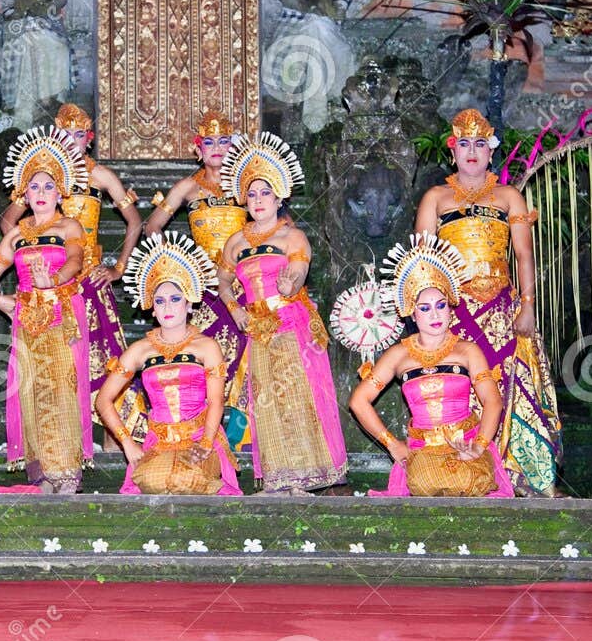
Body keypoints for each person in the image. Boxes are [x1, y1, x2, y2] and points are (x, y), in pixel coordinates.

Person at [413, 108, 562, 496]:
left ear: (491, 151)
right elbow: (422, 262)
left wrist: (527, 304)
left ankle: (520, 473)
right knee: (458, 386)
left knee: (514, 383)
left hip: (501, 306)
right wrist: (428, 315)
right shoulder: (436, 198)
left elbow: (524, 255)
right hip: (453, 311)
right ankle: (465, 471)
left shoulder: (508, 196)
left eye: (480, 144)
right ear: (453, 151)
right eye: (464, 144)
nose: (472, 151)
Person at [0, 104, 142, 439]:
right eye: (65, 135)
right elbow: (7, 223)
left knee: (106, 358)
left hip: (89, 279)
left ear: (88, 140)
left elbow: (135, 221)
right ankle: (64, 436)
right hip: (47, 285)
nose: (72, 142)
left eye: (79, 136)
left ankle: (112, 439)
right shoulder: (40, 178)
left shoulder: (100, 176)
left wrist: (118, 268)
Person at [216, 132, 347, 494]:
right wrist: (233, 308)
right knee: (266, 398)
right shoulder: (236, 242)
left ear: (279, 196)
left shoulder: (293, 237)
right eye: (252, 193)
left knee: (296, 395)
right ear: (243, 197)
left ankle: (307, 474)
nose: (258, 200)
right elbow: (224, 282)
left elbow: (298, 269)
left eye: (265, 193)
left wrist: (291, 282)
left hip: (290, 322)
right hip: (256, 326)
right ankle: (278, 476)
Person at [348, 233, 512, 497]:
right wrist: (393, 445)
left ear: (450, 308)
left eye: (440, 305)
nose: (434, 314)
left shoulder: (467, 350)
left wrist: (479, 446)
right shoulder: (398, 355)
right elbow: (358, 401)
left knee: (472, 484)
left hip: (465, 445)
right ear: (412, 313)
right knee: (424, 485)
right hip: (421, 452)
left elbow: (493, 401)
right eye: (424, 308)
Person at [0, 126, 92, 493]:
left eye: (48, 186)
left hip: (62, 314)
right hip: (27, 317)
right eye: (34, 187)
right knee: (30, 388)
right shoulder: (16, 233)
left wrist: (54, 279)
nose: (41, 193)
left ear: (60, 191)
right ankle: (43, 471)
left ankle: (67, 472)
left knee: (62, 387)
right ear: (24, 194)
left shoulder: (69, 226)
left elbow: (76, 261)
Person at [96, 232, 242, 496]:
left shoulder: (206, 346)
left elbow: (216, 401)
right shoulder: (140, 350)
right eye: (160, 301)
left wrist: (207, 443)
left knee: (186, 479)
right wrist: (128, 444)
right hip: (158, 443)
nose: (168, 307)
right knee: (153, 479)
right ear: (151, 307)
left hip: (201, 439)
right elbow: (103, 400)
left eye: (175, 299)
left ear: (189, 303)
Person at [143, 109, 249, 441]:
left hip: (241, 283)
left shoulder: (248, 183)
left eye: (224, 141)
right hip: (201, 288)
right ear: (198, 149)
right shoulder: (189, 186)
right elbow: (152, 226)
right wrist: (175, 264)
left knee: (246, 354)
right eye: (209, 141)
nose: (217, 147)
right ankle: (199, 427)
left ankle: (242, 434)